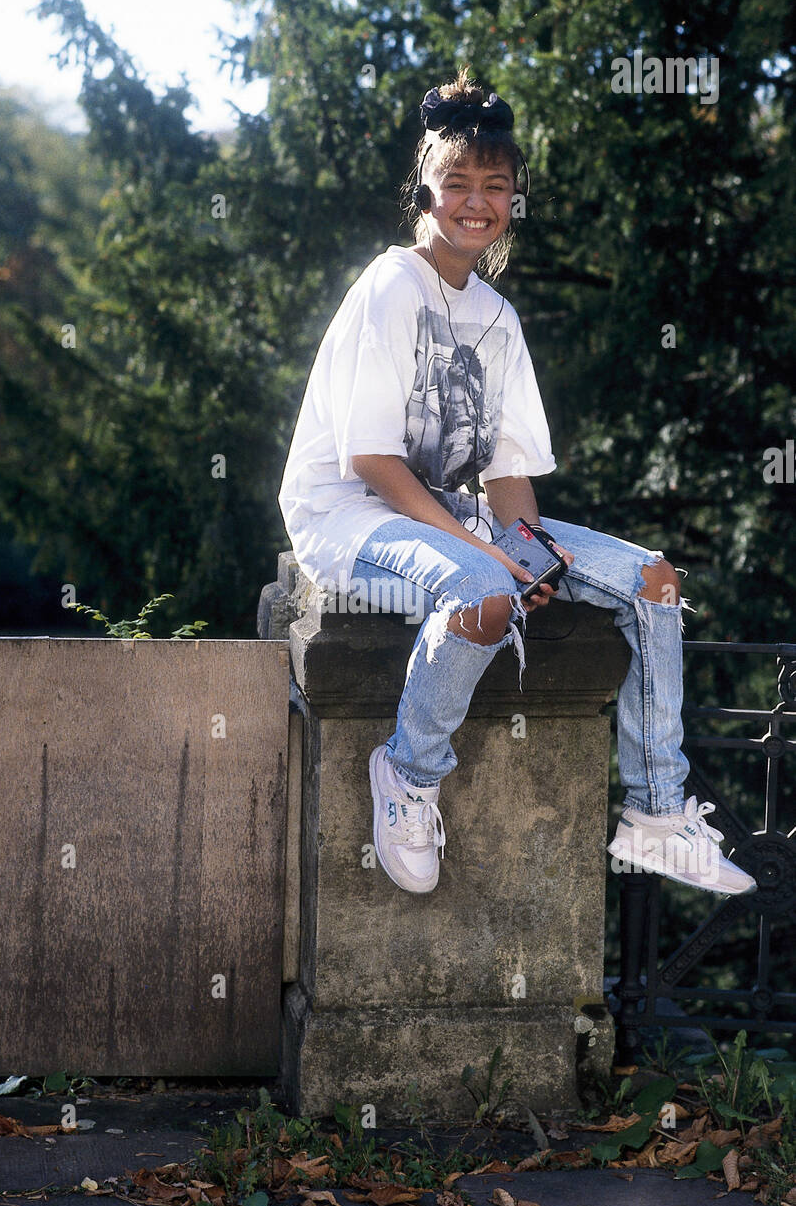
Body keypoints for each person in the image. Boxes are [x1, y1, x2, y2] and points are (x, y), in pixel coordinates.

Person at [277, 67, 757, 901]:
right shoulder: (388, 285)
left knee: (652, 583)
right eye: (455, 183)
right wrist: (486, 555)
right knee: (478, 590)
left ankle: (653, 816)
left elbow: (505, 479)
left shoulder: (499, 320)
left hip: (449, 518)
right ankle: (409, 776)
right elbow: (372, 462)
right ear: (423, 193)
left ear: (510, 200)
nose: (475, 201)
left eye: (493, 187)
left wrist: (524, 549)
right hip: (350, 517)